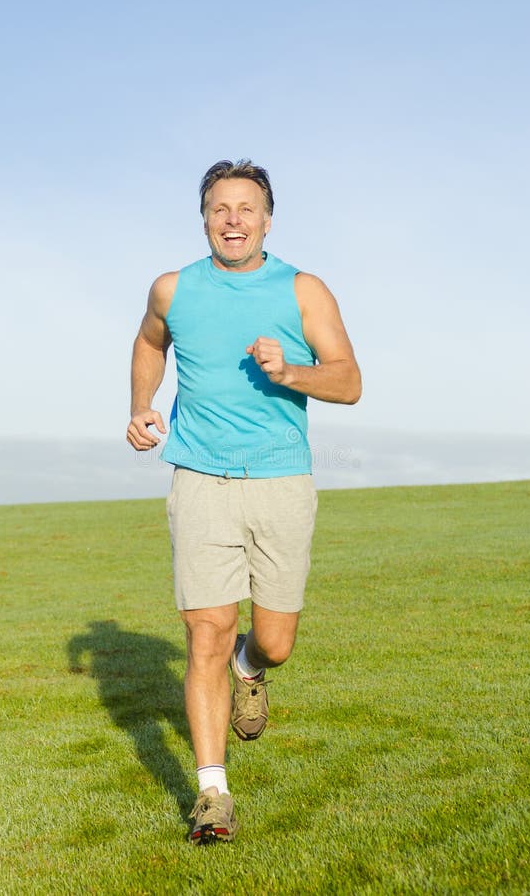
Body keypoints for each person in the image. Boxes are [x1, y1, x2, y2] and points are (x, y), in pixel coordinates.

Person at [126, 159, 361, 844]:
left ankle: (250, 667)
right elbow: (148, 342)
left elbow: (349, 382)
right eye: (220, 209)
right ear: (204, 219)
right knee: (207, 630)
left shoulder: (303, 289)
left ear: (267, 220)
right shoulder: (172, 288)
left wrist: (291, 371)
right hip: (200, 479)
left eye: (246, 209)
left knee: (275, 642)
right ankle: (213, 795)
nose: (233, 220)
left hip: (281, 482)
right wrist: (141, 404)